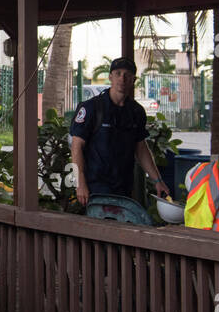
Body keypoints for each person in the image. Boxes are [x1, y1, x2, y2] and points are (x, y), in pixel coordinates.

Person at [70, 56, 171, 208]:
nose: (122, 78)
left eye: (127, 75)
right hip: (95, 188)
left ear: (133, 79)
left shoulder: (136, 112)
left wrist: (158, 180)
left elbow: (141, 148)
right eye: (117, 73)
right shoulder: (92, 108)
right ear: (110, 77)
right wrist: (80, 184)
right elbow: (76, 146)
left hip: (123, 188)